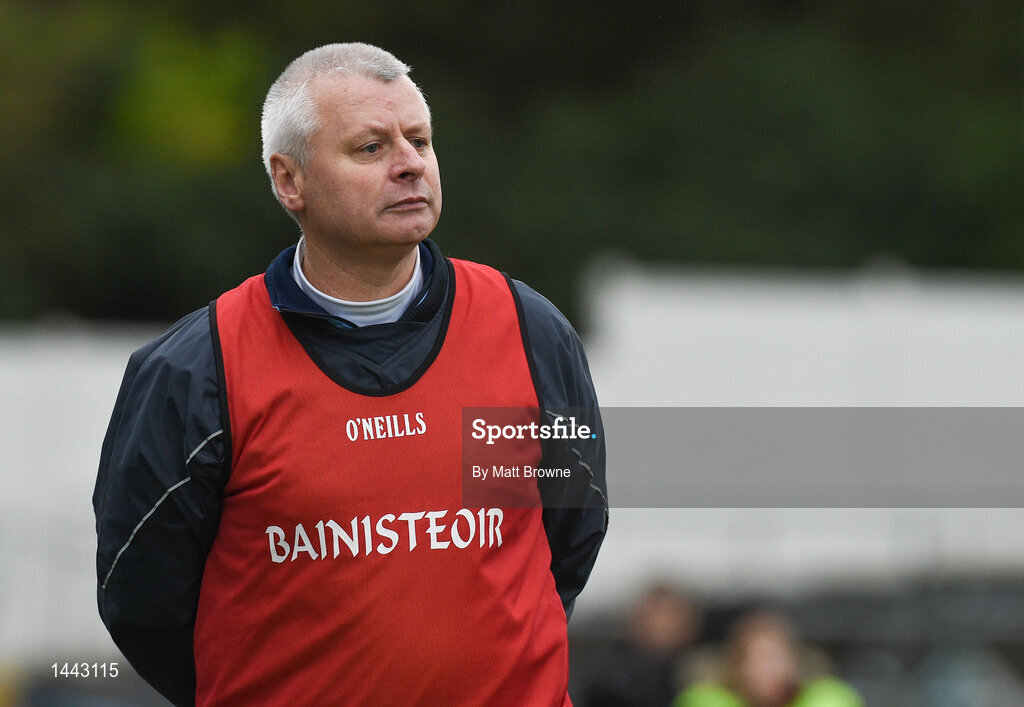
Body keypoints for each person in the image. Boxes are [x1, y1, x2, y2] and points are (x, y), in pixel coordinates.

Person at [93, 42, 607, 706]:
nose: (410, 164)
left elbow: (568, 540)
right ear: (289, 181)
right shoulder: (196, 369)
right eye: (371, 148)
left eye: (419, 139)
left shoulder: (528, 330)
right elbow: (144, 603)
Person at [673, 610, 862, 707]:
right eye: (754, 659)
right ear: (734, 665)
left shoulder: (830, 698)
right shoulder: (702, 700)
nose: (766, 669)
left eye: (775, 657)